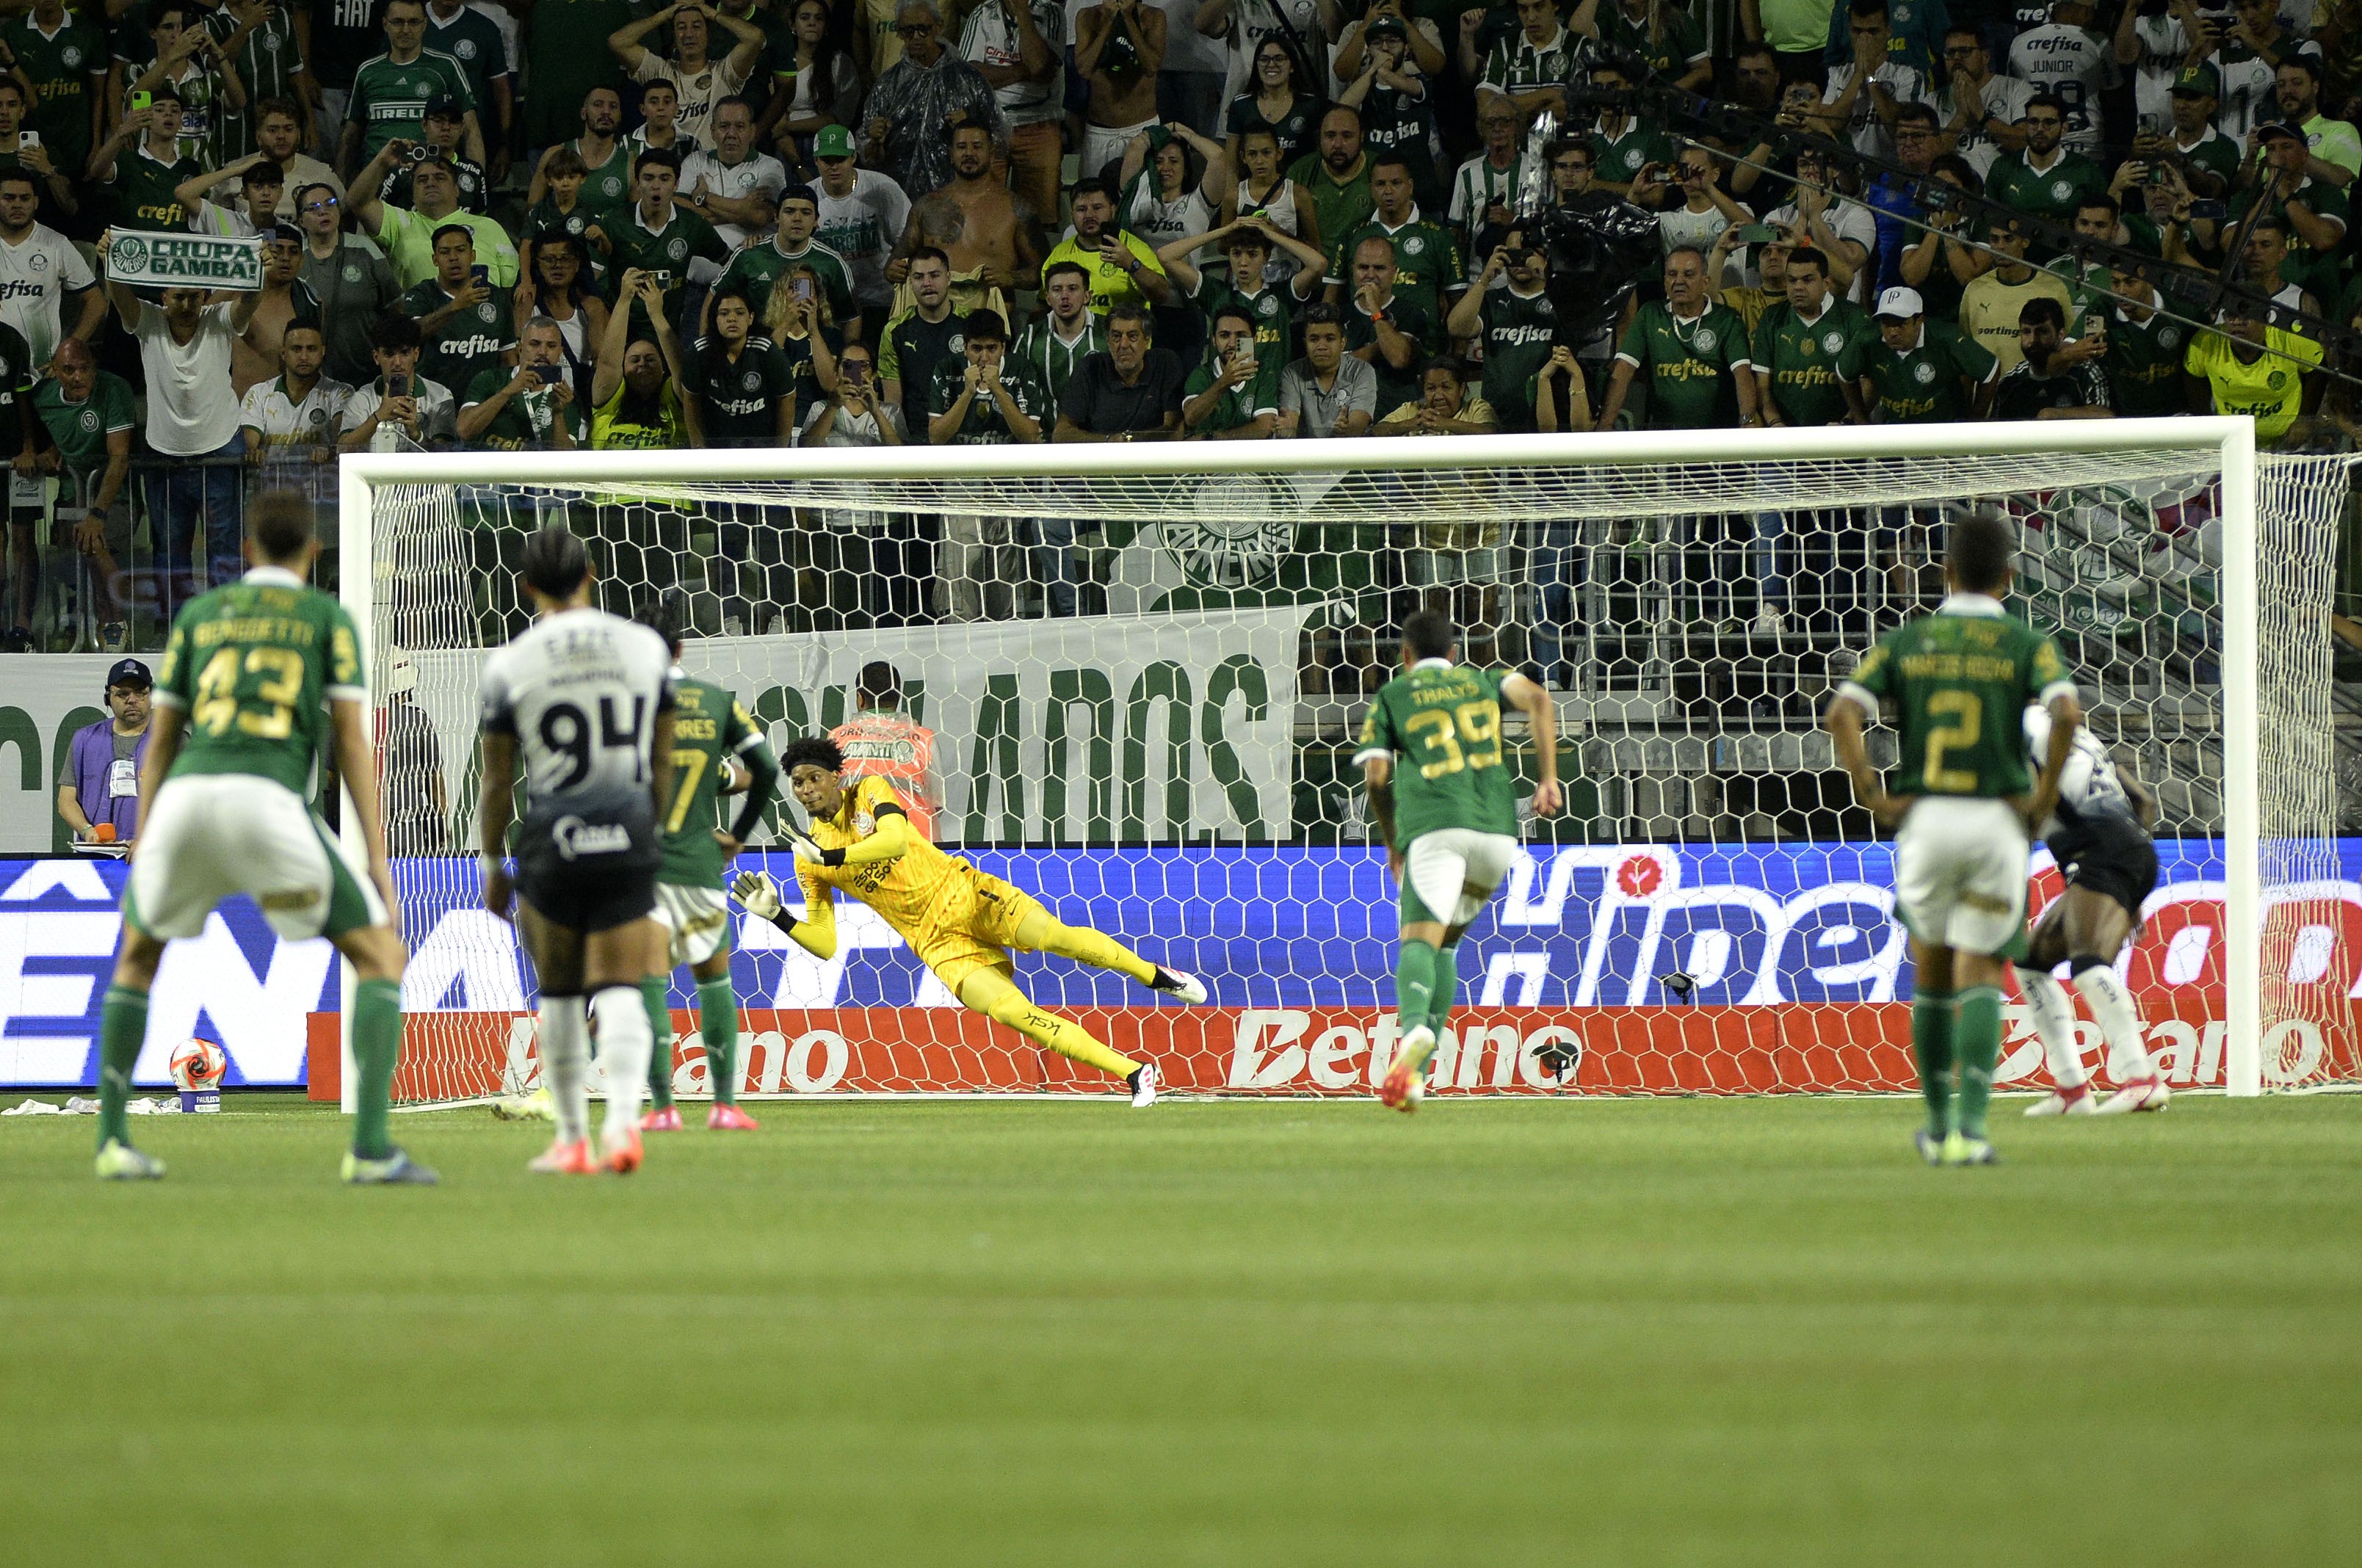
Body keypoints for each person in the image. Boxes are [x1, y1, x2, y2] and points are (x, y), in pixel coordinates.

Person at [95, 492, 426, 1185]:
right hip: (270, 802)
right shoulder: (325, 617)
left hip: (187, 797)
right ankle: (368, 1152)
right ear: (313, 553)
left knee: (136, 959)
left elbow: (156, 747)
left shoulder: (200, 616)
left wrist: (148, 836)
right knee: (379, 955)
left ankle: (114, 1142)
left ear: (244, 552)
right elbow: (350, 742)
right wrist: (376, 858)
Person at [729, 733, 1206, 1105]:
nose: (807, 788)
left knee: (1055, 937)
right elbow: (826, 944)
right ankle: (1133, 1072)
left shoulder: (870, 792)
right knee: (1012, 1013)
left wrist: (835, 859)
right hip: (937, 944)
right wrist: (777, 916)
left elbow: (896, 839)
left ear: (836, 777)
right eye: (797, 783)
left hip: (967, 894)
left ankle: (1156, 974)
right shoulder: (808, 858)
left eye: (814, 777)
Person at [1825, 507, 2081, 1166]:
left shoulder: (1909, 641)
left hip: (1927, 819)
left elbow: (1842, 710)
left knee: (1931, 970)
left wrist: (1870, 792)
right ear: (2008, 576)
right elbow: (2066, 711)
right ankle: (1972, 1127)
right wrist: (2043, 795)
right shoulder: (2026, 643)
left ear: (1944, 574)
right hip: (1996, 821)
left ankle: (1936, 1129)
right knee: (1980, 973)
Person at [477, 526, 676, 1176]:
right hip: (628, 830)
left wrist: (490, 863)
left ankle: (570, 1138)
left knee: (560, 993)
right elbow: (660, 756)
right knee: (619, 986)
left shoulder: (510, 665)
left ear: (528, 586)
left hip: (553, 840)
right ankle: (622, 1124)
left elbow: (498, 780)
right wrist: (657, 832)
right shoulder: (644, 648)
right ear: (591, 573)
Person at [1358, 608, 1562, 1111]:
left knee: (1417, 940)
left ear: (1404, 657)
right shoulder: (1485, 681)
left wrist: (1391, 841)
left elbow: (1376, 778)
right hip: (1496, 836)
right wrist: (1547, 778)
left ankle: (1411, 1039)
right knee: (1446, 943)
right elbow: (1538, 698)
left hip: (1435, 831)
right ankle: (1417, 1078)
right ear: (1454, 654)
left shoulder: (1392, 695)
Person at [632, 592, 778, 1133]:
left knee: (648, 979)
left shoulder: (621, 703)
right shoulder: (714, 699)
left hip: (639, 867)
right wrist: (736, 836)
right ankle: (723, 1105)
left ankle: (663, 1108)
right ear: (681, 647)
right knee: (713, 979)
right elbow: (762, 770)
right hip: (697, 862)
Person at [2012, 697, 2171, 1117]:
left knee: (2088, 964)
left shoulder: (2017, 729)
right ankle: (2072, 1091)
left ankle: (2142, 1079)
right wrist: (2129, 888)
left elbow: (2030, 803)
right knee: (2031, 962)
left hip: (2097, 851)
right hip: (2119, 849)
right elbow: (2141, 797)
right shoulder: (2074, 735)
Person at [101, 229, 258, 627]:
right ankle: (179, 631)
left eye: (193, 295)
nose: (186, 304)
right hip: (164, 452)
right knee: (169, 550)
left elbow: (249, 302)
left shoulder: (220, 319)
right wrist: (111, 262)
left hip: (221, 448)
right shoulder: (148, 321)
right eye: (178, 296)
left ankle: (229, 628)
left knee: (224, 549)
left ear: (206, 296)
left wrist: (260, 273)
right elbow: (120, 296)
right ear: (163, 297)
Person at [34, 338, 136, 647]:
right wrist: (43, 451)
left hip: (115, 498)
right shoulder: (43, 398)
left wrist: (97, 513)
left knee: (92, 540)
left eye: (84, 369)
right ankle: (76, 624)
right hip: (70, 495)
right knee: (73, 556)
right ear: (54, 371)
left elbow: (119, 456)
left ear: (94, 367)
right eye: (68, 370)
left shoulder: (114, 389)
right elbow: (34, 436)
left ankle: (115, 623)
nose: (77, 377)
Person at [860, 0, 1007, 198]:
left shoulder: (969, 79)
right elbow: (870, 157)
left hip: (957, 196)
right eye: (908, 31)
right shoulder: (887, 85)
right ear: (899, 33)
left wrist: (970, 128)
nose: (916, 37)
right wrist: (875, 142)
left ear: (939, 27)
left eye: (923, 29)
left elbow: (999, 138)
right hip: (901, 198)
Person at [338, 0, 482, 180]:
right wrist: (340, 186)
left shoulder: (446, 66)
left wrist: (476, 185)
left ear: (424, 25)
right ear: (385, 25)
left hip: (430, 179)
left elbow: (471, 129)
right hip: (376, 181)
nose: (405, 30)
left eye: (413, 22)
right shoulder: (368, 71)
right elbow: (350, 136)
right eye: (398, 22)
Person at [347, 143, 519, 288]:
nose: (430, 183)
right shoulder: (400, 222)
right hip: (421, 323)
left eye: (440, 177)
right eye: (422, 180)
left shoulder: (489, 226)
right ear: (413, 193)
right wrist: (382, 161)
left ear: (457, 189)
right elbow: (357, 202)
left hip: (482, 323)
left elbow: (514, 289)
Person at [607, 0, 767, 153]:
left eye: (696, 26)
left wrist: (711, 13)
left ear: (707, 33)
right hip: (667, 171)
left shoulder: (724, 72)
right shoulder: (659, 71)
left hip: (710, 169)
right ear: (674, 36)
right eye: (681, 27)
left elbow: (755, 38)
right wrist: (665, 14)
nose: (689, 34)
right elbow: (618, 42)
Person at [959, 0, 1064, 222]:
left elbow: (1040, 65)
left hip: (1039, 125)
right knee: (985, 214)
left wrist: (1023, 12)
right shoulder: (982, 13)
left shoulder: (1050, 12)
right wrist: (1024, 71)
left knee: (1038, 219)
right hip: (991, 126)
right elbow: (969, 76)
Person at [292, 181, 399, 388]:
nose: (323, 211)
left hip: (367, 372)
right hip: (311, 376)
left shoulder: (365, 249)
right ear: (301, 221)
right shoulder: (295, 258)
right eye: (313, 208)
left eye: (330, 204)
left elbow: (395, 306)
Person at [0, 168, 101, 375]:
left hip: (39, 371)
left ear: (36, 203)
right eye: (9, 198)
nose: (17, 204)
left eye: (25, 198)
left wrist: (67, 353)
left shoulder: (57, 245)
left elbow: (97, 302)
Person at [399, 222, 517, 396]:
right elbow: (411, 335)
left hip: (483, 402)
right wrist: (455, 306)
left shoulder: (497, 298)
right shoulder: (421, 295)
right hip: (432, 402)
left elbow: (507, 356)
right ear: (435, 259)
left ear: (473, 255)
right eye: (445, 252)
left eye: (461, 250)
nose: (453, 258)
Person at [1855, 284, 2000, 422]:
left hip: (1943, 431)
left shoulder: (1946, 337)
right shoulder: (1869, 339)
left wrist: (1974, 420)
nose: (1893, 332)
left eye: (1901, 324)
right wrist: (1860, 419)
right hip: (1895, 431)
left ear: (1919, 321)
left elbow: (1990, 370)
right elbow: (1844, 374)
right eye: (1886, 324)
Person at [831, 659, 941, 839]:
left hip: (853, 847)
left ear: (860, 698)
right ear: (898, 696)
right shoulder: (924, 739)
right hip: (912, 848)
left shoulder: (837, 739)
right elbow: (937, 803)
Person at [1051, 302, 1182, 439]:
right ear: (1108, 341)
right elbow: (1061, 433)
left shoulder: (1165, 363)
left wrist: (1127, 442)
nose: (1124, 345)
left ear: (1147, 340)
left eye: (1132, 336)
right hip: (1102, 458)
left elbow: (1175, 432)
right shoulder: (1090, 368)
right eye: (1116, 336)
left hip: (1154, 458)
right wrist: (1108, 442)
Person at [59, 658, 153, 849]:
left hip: (154, 857)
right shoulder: (84, 740)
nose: (132, 699)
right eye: (123, 694)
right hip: (97, 857)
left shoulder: (173, 743)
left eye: (140, 693)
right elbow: (66, 801)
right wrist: (87, 831)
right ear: (108, 698)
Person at [457, 315, 584, 449]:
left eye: (551, 346)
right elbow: (464, 431)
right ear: (520, 349)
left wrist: (558, 413)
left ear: (560, 353)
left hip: (536, 470)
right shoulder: (490, 379)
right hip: (489, 468)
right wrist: (508, 391)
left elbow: (564, 461)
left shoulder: (565, 398)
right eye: (534, 344)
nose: (542, 352)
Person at [340, 311, 459, 451]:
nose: (397, 362)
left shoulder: (440, 396)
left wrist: (416, 434)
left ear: (416, 354)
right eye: (389, 354)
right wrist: (378, 417)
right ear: (376, 357)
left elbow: (446, 458)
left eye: (404, 353)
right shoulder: (362, 399)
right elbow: (342, 450)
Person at [680, 95, 786, 251]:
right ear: (713, 131)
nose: (731, 134)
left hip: (752, 258)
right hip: (700, 258)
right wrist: (743, 210)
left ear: (752, 131)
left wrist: (704, 197)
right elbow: (680, 213)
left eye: (740, 126)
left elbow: (759, 217)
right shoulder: (695, 161)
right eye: (724, 126)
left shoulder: (770, 166)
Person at [1076, 0, 1166, 181]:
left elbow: (1151, 66)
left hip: (1141, 129)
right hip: (1100, 133)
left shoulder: (1154, 16)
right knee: (1094, 197)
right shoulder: (1088, 16)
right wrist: (1110, 21)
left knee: (1142, 203)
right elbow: (1084, 69)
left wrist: (1127, 18)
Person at [1990, 297, 2114, 420]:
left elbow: (2107, 416)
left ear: (2061, 335)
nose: (2033, 340)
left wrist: (2057, 415)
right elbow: (1995, 433)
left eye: (2042, 331)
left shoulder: (2085, 374)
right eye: (2026, 332)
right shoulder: (2010, 383)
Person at [1275, 300, 1375, 437]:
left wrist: (1347, 429)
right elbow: (1290, 422)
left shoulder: (1362, 371)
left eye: (1330, 339)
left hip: (1349, 454)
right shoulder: (1292, 373)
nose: (1321, 346)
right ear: (1306, 343)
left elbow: (1358, 425)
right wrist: (1286, 429)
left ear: (1343, 343)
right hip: (1306, 455)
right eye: (1314, 339)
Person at [1180, 303, 1275, 438]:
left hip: (1248, 457)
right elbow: (1191, 418)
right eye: (1224, 335)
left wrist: (1215, 439)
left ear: (1254, 340)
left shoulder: (1264, 374)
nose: (1232, 343)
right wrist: (1224, 382)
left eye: (1241, 335)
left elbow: (1264, 427)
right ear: (1214, 340)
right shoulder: (1201, 374)